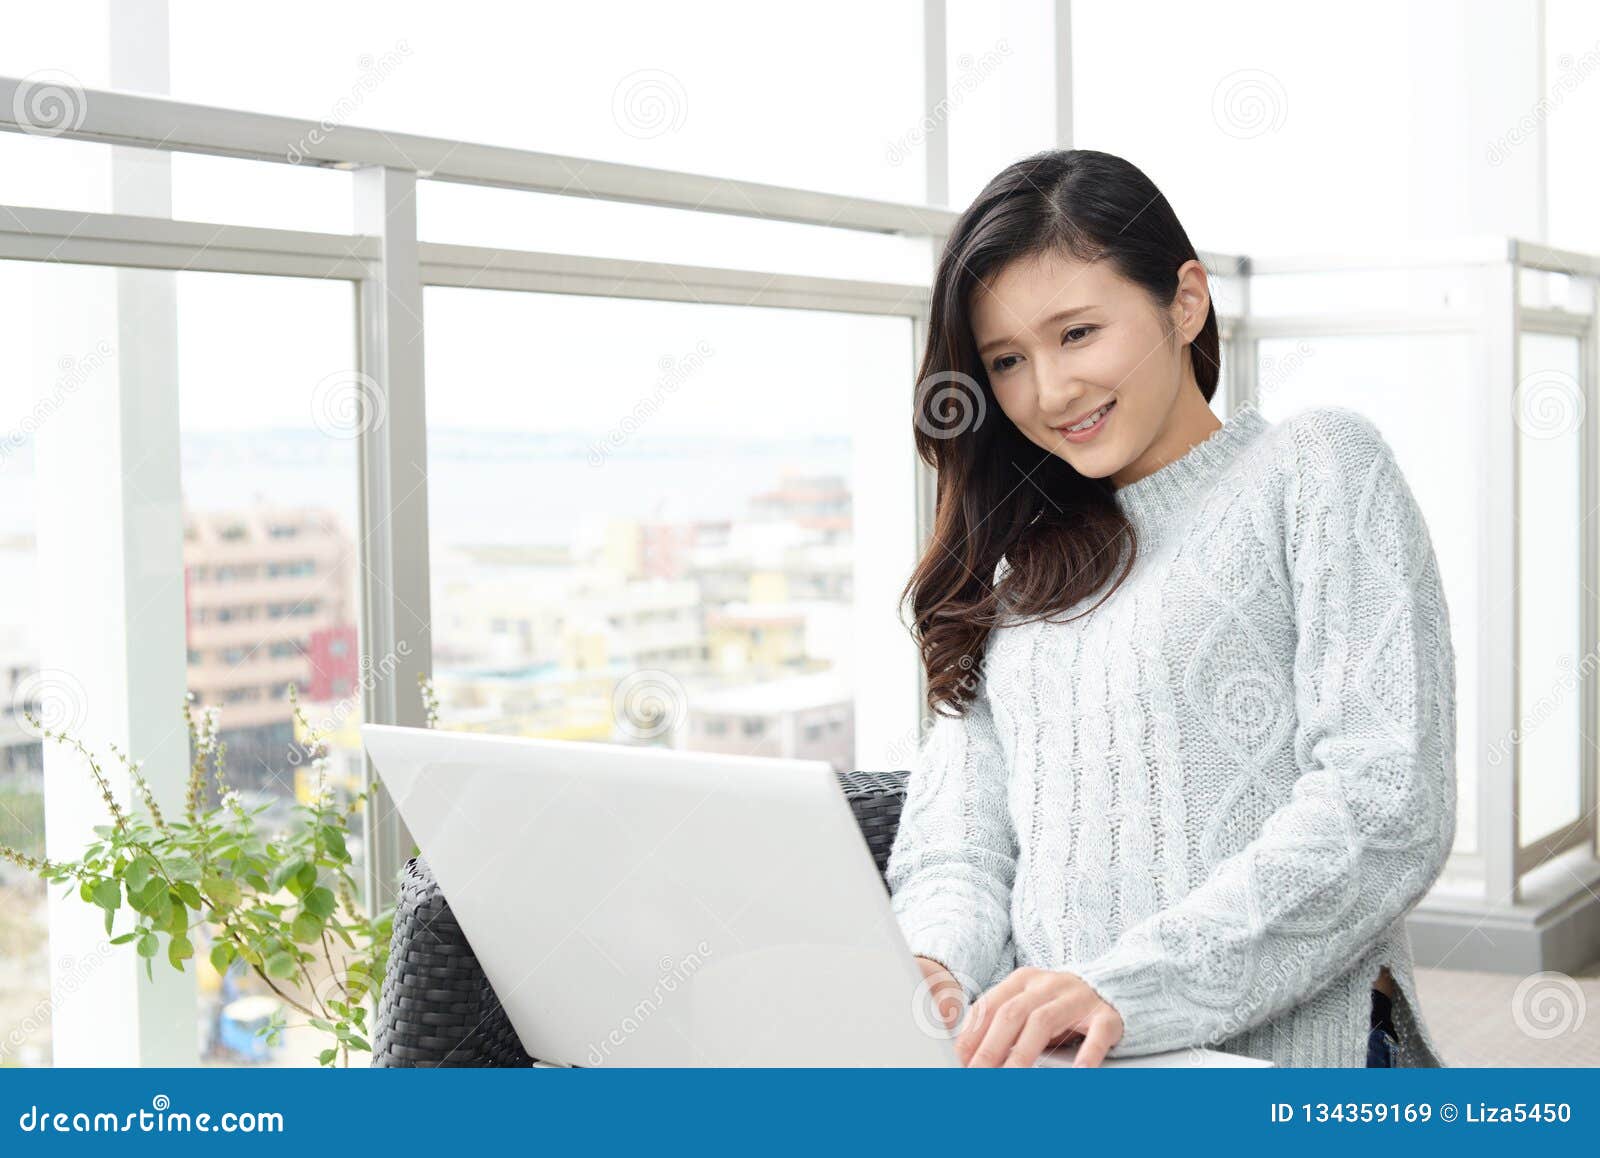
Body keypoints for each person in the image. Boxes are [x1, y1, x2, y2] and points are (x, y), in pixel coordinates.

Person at [885, 148, 1456, 1069]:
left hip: (1280, 1069)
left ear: (1184, 301)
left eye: (1077, 333)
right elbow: (959, 851)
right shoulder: (1022, 576)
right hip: (1063, 1072)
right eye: (1006, 360)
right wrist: (935, 963)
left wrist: (1126, 987)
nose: (1049, 391)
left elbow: (1385, 805)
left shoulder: (1317, 467)